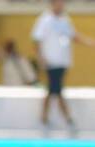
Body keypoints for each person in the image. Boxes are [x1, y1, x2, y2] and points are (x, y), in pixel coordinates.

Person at [33, 0, 93, 131]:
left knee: (53, 90)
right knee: (56, 89)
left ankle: (44, 118)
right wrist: (41, 58)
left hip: (62, 62)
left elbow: (73, 36)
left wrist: (89, 42)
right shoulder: (45, 20)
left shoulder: (65, 20)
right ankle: (68, 119)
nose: (61, 5)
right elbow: (37, 39)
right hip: (51, 62)